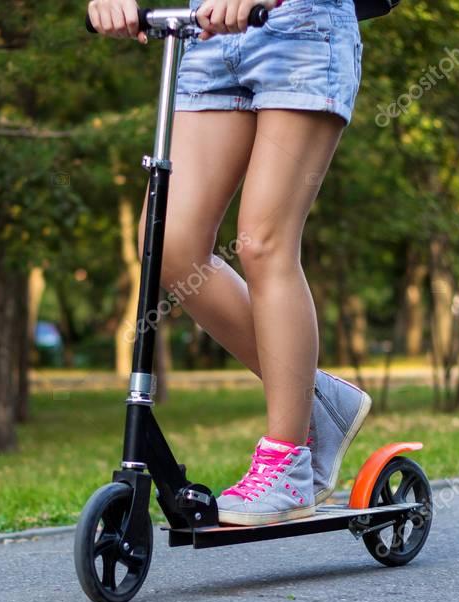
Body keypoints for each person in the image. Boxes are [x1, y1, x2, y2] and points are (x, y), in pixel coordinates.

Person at [88, 0, 371, 525]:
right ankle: (318, 397)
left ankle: (286, 463)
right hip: (206, 35)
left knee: (263, 241)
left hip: (299, 29)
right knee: (170, 246)